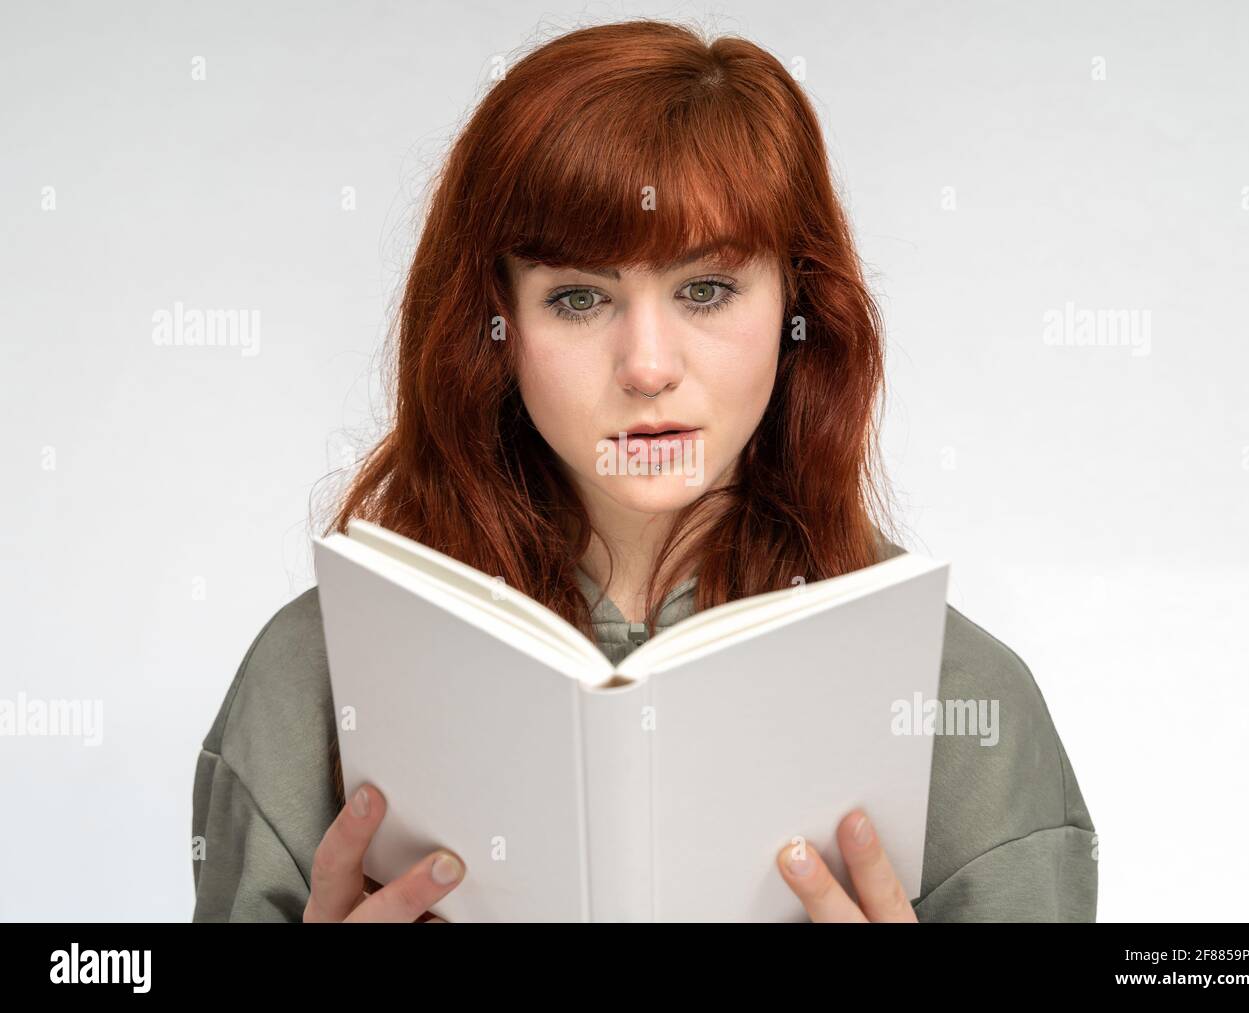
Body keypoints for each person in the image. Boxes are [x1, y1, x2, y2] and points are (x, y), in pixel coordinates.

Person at [191, 19, 1097, 923]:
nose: (647, 365)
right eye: (580, 297)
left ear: (800, 305)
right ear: (494, 326)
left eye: (705, 289)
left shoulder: (961, 702)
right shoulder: (313, 681)